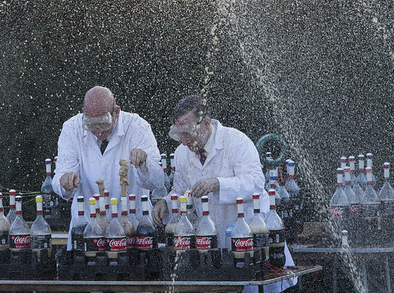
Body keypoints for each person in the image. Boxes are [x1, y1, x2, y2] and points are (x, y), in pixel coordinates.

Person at [152, 94, 297, 292]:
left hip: (253, 244)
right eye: (179, 135)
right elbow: (181, 191)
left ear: (206, 123)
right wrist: (166, 202)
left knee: (255, 285)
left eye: (188, 133)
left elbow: (255, 183)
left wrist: (218, 184)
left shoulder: (237, 141)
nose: (184, 141)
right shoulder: (182, 153)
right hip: (215, 253)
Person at [52, 86, 166, 246]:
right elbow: (60, 178)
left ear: (116, 112)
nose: (98, 131)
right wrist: (65, 181)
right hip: (87, 230)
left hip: (133, 230)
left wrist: (145, 164)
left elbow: (157, 181)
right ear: (84, 113)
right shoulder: (72, 128)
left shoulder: (138, 126)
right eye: (91, 125)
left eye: (104, 123)